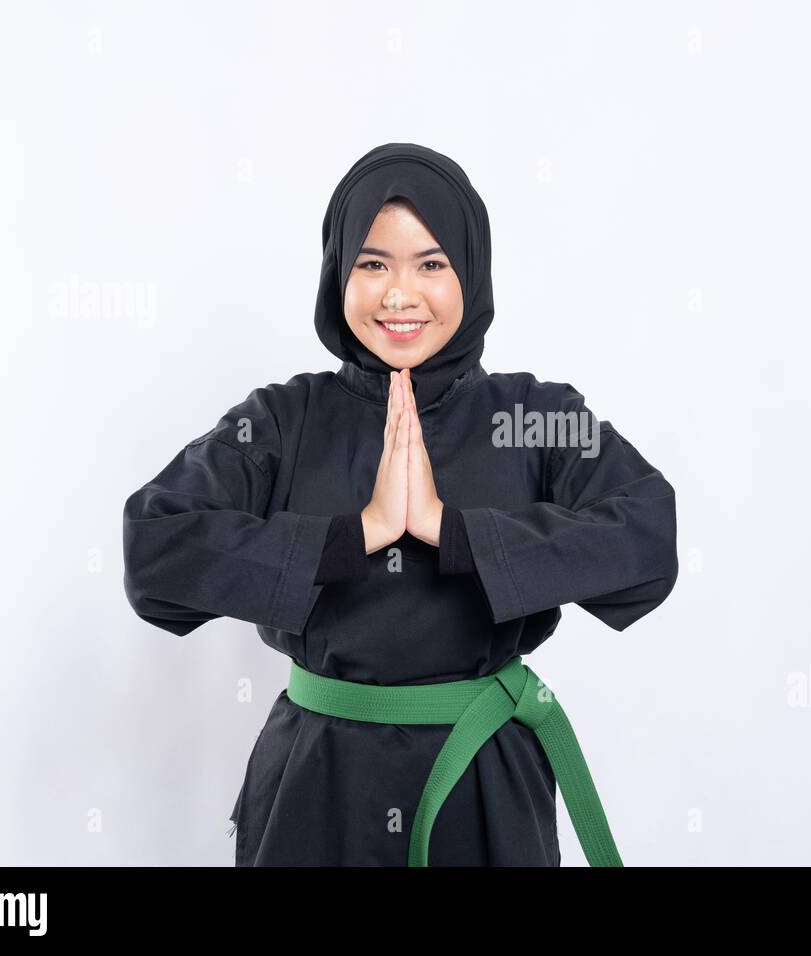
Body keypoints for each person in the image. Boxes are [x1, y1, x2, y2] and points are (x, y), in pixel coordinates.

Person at [121, 142, 679, 866]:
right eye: (373, 263)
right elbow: (155, 548)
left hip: (485, 783)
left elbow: (646, 535)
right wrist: (358, 534)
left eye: (432, 264)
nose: (399, 293)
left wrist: (452, 532)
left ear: (470, 273)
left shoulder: (533, 416)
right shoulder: (284, 420)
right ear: (337, 272)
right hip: (314, 791)